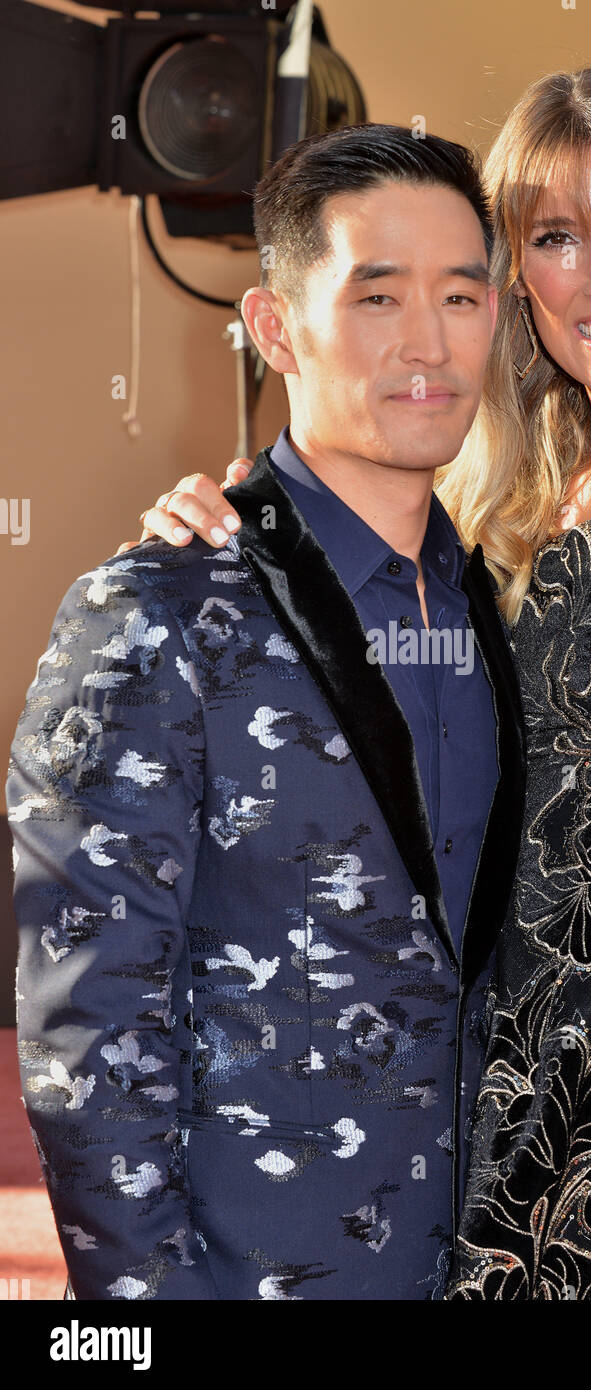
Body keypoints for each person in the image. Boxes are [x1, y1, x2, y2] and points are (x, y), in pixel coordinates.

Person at [129, 68, 591, 1300]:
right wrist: (225, 524)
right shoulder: (486, 508)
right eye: (556, 237)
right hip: (497, 1143)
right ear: (513, 281)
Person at [6, 123, 529, 1301]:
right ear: (277, 325)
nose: (427, 342)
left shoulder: (499, 608)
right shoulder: (160, 613)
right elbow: (88, 1028)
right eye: (377, 296)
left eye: (460, 294)